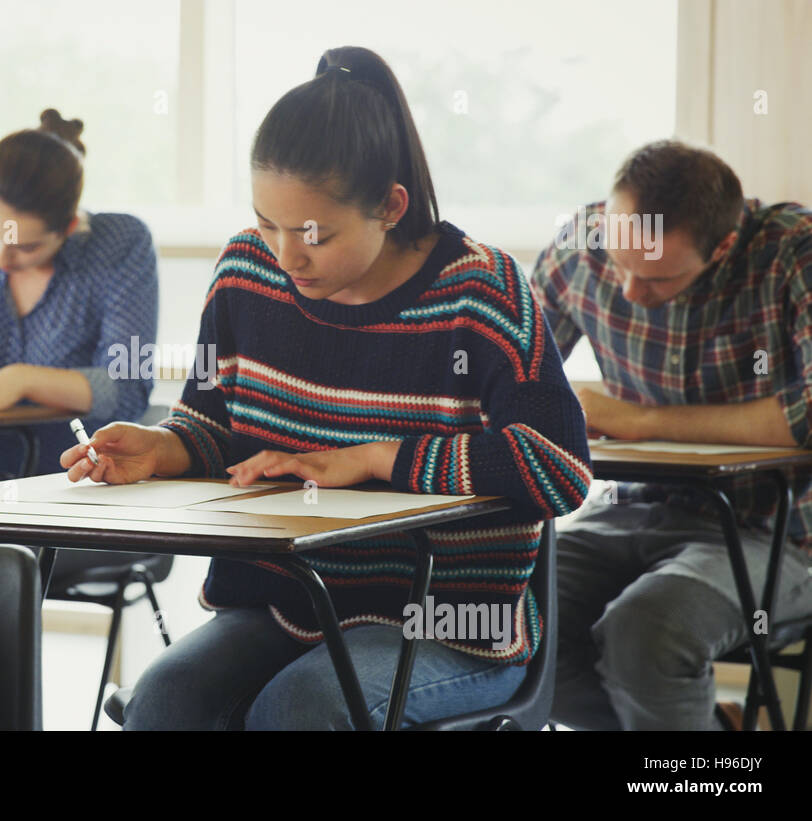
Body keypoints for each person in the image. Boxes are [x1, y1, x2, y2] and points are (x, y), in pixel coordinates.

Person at [60, 46, 592, 730]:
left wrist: (378, 458)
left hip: (446, 620)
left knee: (302, 707)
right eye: (266, 222)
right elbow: (215, 428)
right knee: (165, 697)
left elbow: (559, 467)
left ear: (391, 207)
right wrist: (164, 447)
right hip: (287, 603)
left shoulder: (481, 291)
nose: (286, 255)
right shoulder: (245, 273)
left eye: (314, 233)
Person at [532, 139, 812, 730]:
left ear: (724, 246)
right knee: (513, 620)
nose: (631, 291)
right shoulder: (578, 245)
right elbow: (512, 387)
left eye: (656, 277)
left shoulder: (793, 251)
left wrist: (640, 420)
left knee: (646, 633)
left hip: (779, 532)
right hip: (628, 512)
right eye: (618, 262)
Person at [0, 110, 158, 485]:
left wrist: (22, 380)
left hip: (91, 481)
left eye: (26, 248)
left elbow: (128, 386)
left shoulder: (121, 244)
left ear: (68, 228)